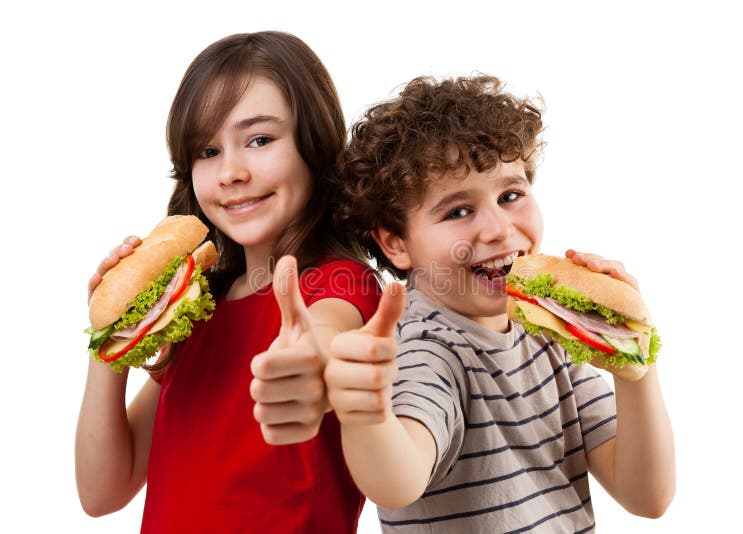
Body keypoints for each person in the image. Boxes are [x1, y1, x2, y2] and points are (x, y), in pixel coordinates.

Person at [325, 75, 675, 532]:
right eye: (458, 211)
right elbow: (398, 480)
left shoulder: (544, 329)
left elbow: (646, 495)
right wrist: (366, 413)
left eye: (510, 195)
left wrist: (636, 365)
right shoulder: (424, 346)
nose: (498, 229)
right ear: (396, 243)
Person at [75, 31, 381, 533]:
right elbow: (102, 491)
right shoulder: (199, 308)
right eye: (207, 150)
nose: (231, 172)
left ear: (315, 144)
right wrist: (114, 340)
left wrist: (312, 364)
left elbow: (324, 338)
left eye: (259, 139)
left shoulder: (340, 285)